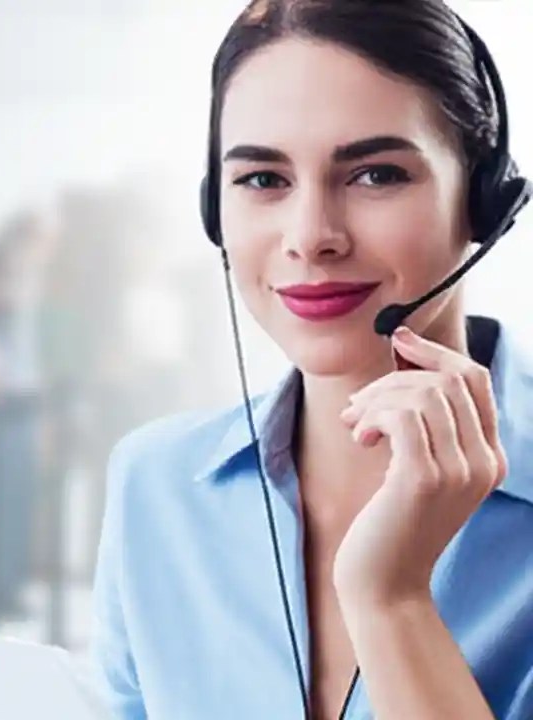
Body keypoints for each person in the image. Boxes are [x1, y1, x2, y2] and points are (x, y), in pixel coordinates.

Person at [92, 2, 533, 719]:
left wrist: (390, 603)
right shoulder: (154, 487)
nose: (310, 237)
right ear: (216, 210)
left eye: (375, 174)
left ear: (486, 201)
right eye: (264, 180)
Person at [0, 209, 56, 630]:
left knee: (21, 499)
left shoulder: (43, 288)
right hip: (0, 406)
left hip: (28, 402)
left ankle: (12, 589)